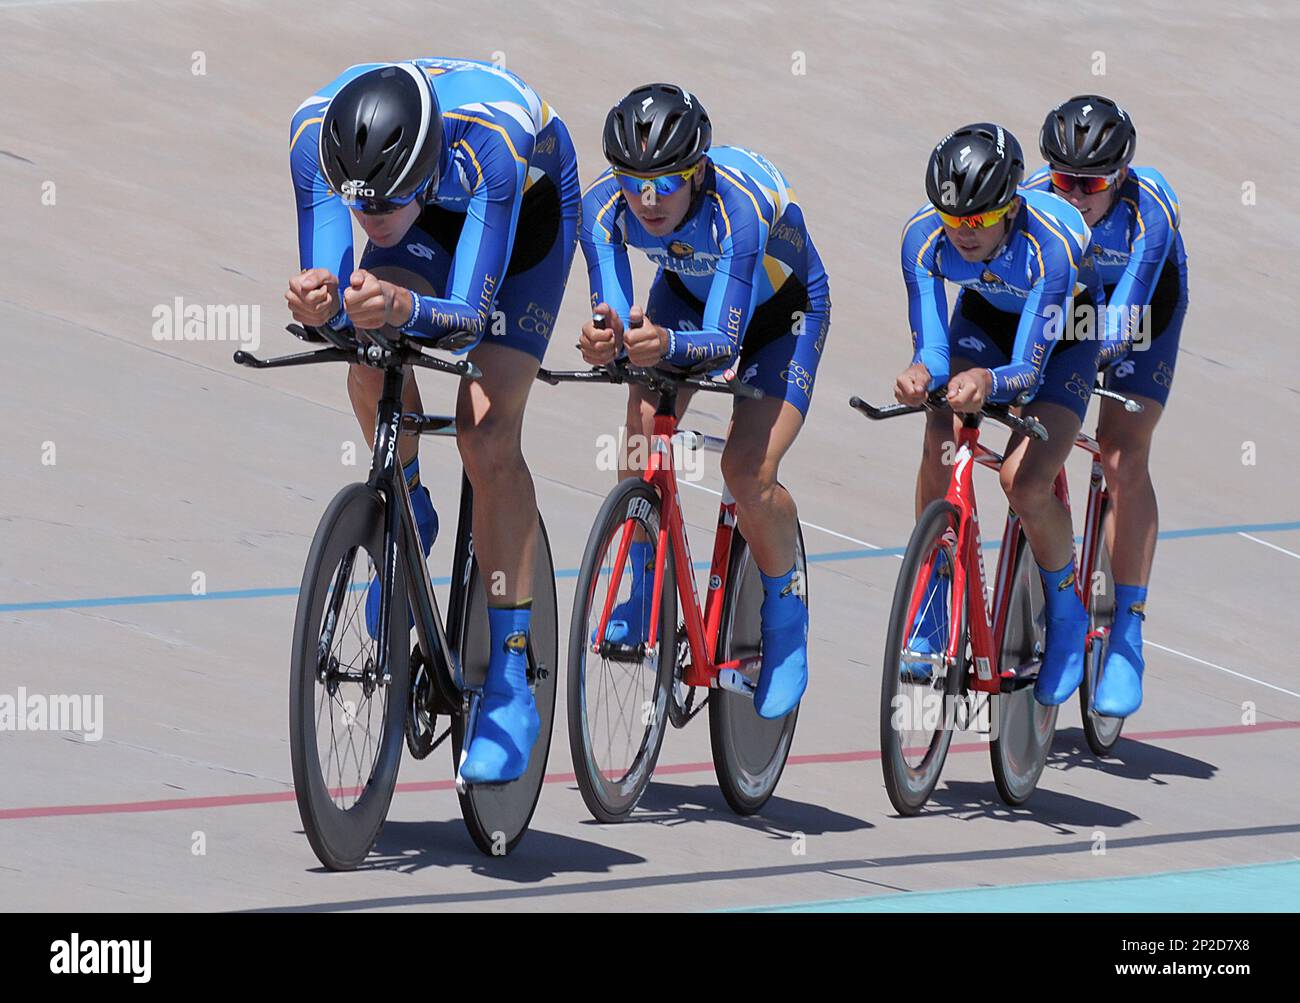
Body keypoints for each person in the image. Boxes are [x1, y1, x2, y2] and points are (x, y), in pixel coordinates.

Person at [285, 59, 580, 782]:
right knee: (365, 344)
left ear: (423, 167)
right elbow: (335, 288)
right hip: (432, 209)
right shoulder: (312, 140)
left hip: (526, 216)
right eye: (360, 208)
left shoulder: (492, 145)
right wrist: (323, 300)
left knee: (484, 425)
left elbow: (467, 321)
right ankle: (408, 505)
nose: (368, 221)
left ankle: (511, 678)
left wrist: (405, 306)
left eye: (382, 207)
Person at [578, 84, 831, 719]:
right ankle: (642, 585)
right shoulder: (602, 206)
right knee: (639, 433)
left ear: (695, 171)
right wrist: (606, 337)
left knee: (747, 471)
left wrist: (660, 342)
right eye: (634, 180)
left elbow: (720, 344)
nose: (648, 198)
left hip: (782, 317)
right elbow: (612, 307)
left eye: (665, 181)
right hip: (689, 293)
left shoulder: (737, 210)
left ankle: (785, 612)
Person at [894, 123, 1104, 707]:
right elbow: (934, 351)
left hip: (1062, 337)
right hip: (985, 319)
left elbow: (1028, 373)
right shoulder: (921, 238)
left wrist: (985, 381)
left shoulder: (1052, 246)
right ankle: (933, 596)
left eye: (978, 220)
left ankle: (1067, 612)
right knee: (939, 429)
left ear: (1009, 208)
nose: (963, 233)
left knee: (1023, 481)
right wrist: (922, 375)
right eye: (952, 219)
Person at [1024, 95, 1188, 717]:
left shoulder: (1149, 213)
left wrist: (1080, 356)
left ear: (1120, 174)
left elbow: (1121, 320)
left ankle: (1127, 634)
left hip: (1143, 313)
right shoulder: (1038, 198)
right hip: (1077, 304)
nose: (1075, 194)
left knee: (1122, 456)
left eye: (1089, 183)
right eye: (1064, 179)